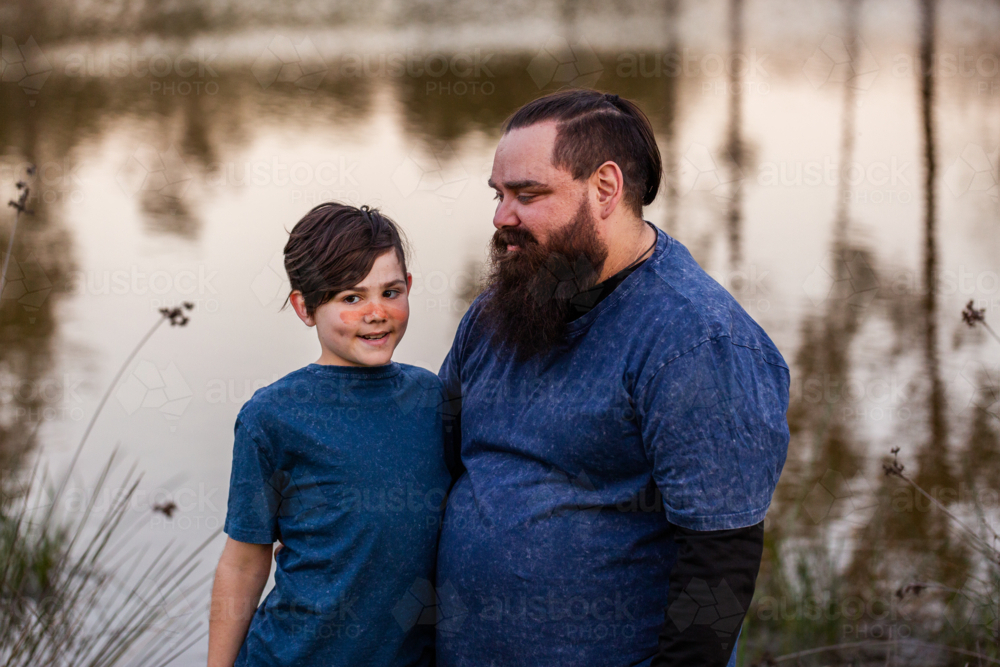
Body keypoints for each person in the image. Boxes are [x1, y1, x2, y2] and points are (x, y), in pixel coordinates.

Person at [435, 89, 790, 666]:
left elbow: (719, 567)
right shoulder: (500, 309)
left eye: (528, 194)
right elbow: (444, 460)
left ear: (605, 188)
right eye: (499, 195)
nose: (502, 217)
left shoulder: (697, 343)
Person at [207, 202, 451, 667]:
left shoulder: (433, 398)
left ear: (410, 289)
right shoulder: (273, 416)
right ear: (304, 307)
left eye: (391, 291)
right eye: (351, 298)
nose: (376, 312)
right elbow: (243, 561)